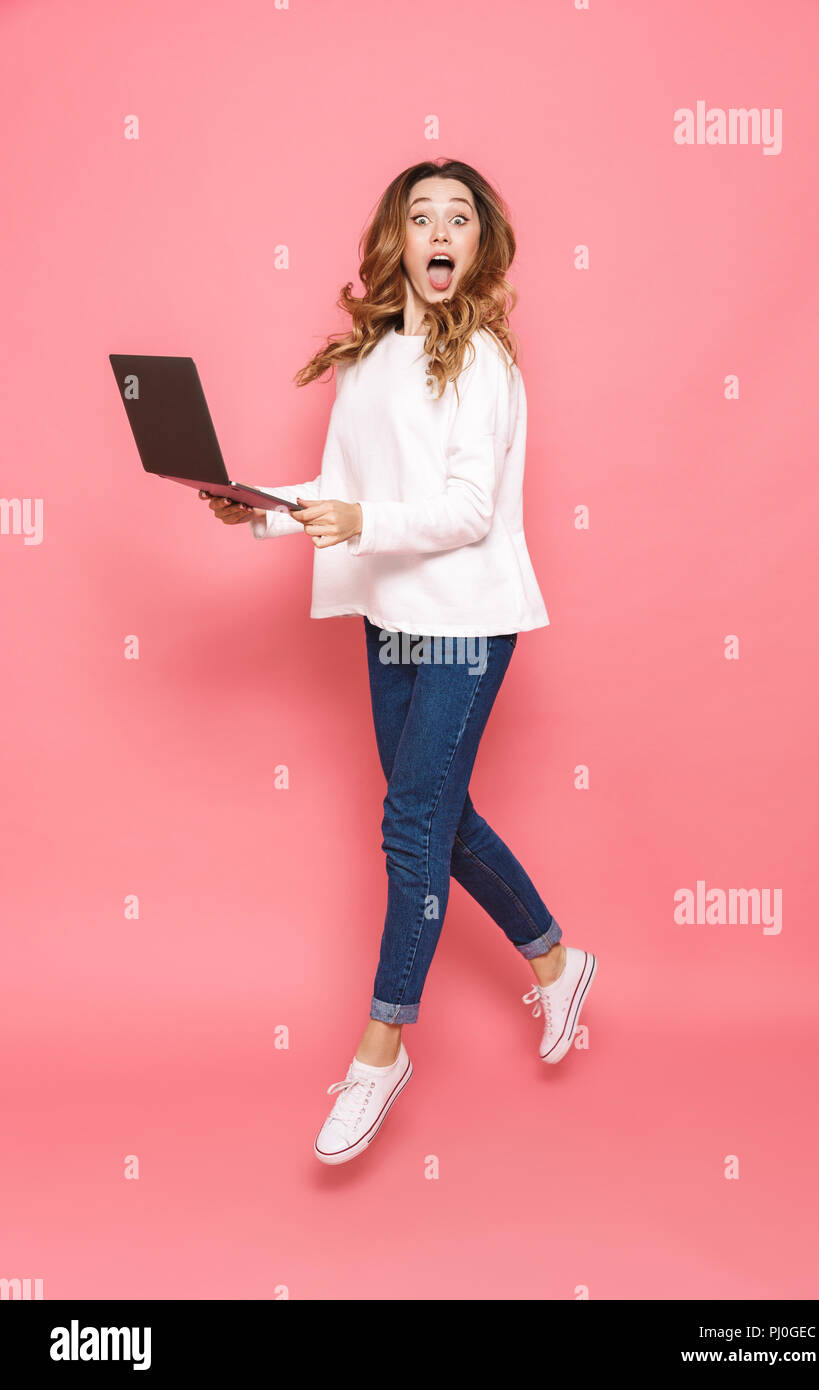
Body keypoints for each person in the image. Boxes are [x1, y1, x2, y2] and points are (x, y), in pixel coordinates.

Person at [200, 158, 597, 1166]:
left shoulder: (487, 365)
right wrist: (262, 509)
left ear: (478, 246)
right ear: (395, 239)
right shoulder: (368, 356)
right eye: (419, 215)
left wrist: (358, 517)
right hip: (391, 617)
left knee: (411, 819)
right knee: (441, 816)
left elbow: (466, 513)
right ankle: (557, 961)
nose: (438, 231)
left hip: (468, 618)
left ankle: (381, 1045)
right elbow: (343, 487)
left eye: (457, 217)